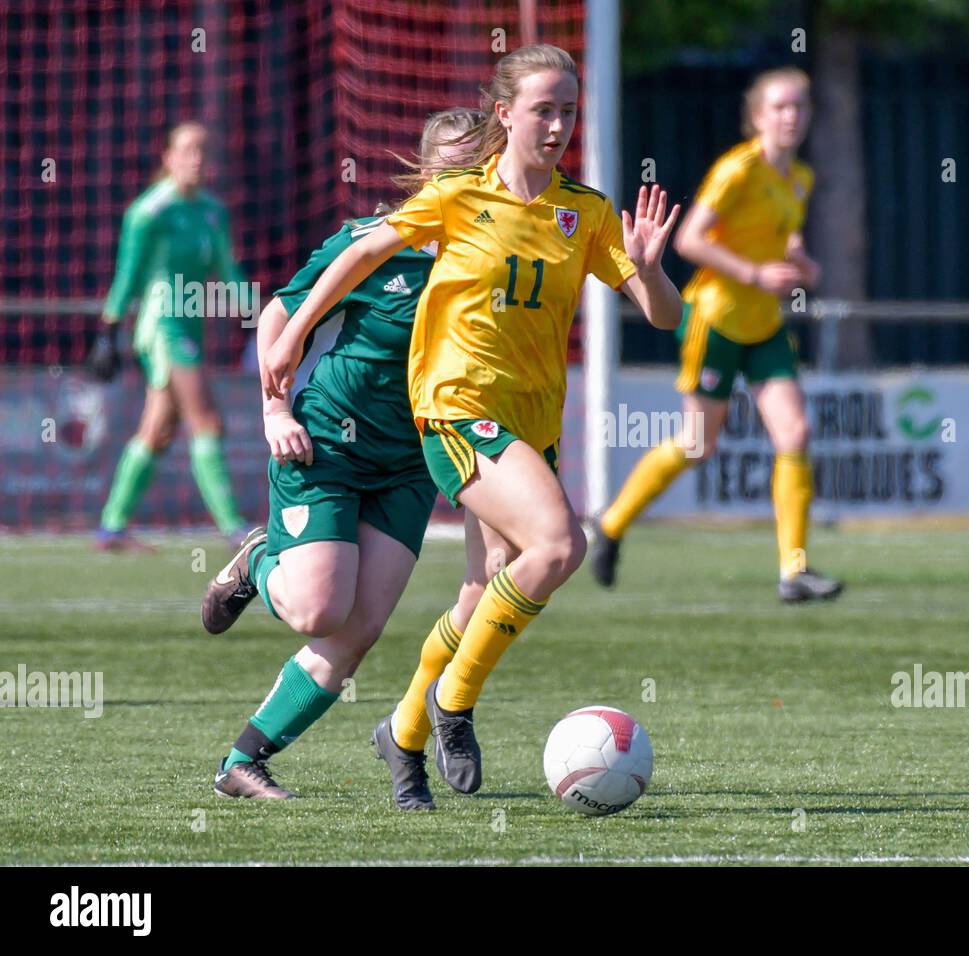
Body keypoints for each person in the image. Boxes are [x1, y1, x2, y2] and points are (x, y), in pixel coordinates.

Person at [261, 43, 683, 797]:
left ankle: (404, 733)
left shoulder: (580, 212)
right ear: (505, 114)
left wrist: (649, 270)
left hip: (531, 423)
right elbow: (362, 254)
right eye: (542, 110)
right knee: (559, 543)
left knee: (486, 588)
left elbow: (663, 316)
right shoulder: (458, 197)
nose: (556, 125)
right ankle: (453, 703)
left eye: (568, 111)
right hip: (457, 407)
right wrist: (294, 333)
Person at [202, 108, 483, 804]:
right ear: (425, 174)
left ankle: (244, 761)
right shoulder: (372, 242)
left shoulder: (493, 256)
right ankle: (258, 562)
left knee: (359, 629)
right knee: (317, 611)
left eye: (479, 169)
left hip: (413, 461)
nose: (467, 182)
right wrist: (274, 408)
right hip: (327, 438)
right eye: (454, 169)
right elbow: (281, 311)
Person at [590, 68, 843, 604]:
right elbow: (690, 239)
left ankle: (793, 570)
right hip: (719, 320)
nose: (791, 115)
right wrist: (754, 275)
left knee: (795, 434)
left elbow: (781, 238)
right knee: (698, 445)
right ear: (757, 117)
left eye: (799, 106)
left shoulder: (799, 177)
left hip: (766, 326)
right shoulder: (737, 169)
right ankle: (611, 523)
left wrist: (799, 264)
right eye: (779, 107)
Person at [89, 122, 248, 549]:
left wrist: (256, 311)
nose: (196, 158)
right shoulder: (149, 212)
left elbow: (228, 270)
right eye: (187, 150)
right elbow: (128, 275)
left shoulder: (213, 210)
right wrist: (107, 330)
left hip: (192, 325)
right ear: (168, 157)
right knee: (206, 419)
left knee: (157, 431)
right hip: (163, 326)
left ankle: (112, 527)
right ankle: (235, 529)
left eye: (202, 150)